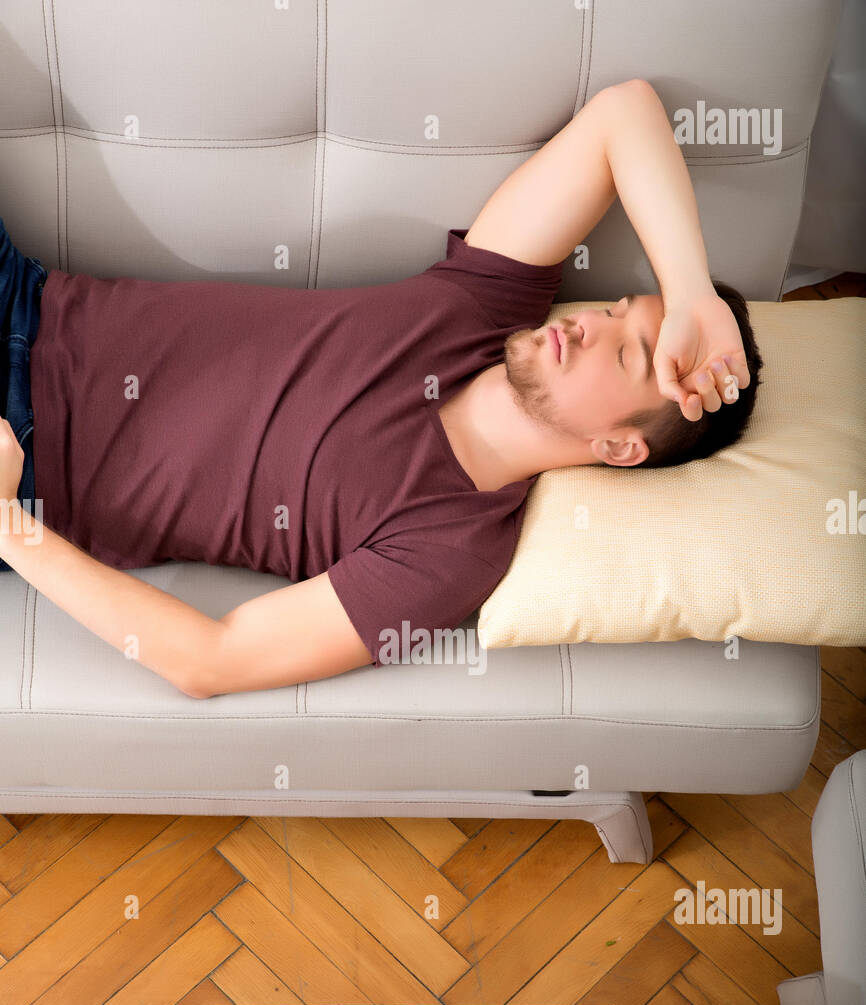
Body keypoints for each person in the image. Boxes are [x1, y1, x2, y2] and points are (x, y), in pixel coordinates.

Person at [0, 79, 761, 697]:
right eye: (617, 307)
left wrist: (11, 528)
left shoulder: (450, 549)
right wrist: (691, 292)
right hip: (26, 293)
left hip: (21, 451)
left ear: (619, 446)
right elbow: (624, 112)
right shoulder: (483, 308)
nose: (591, 323)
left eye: (628, 355)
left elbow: (213, 659)